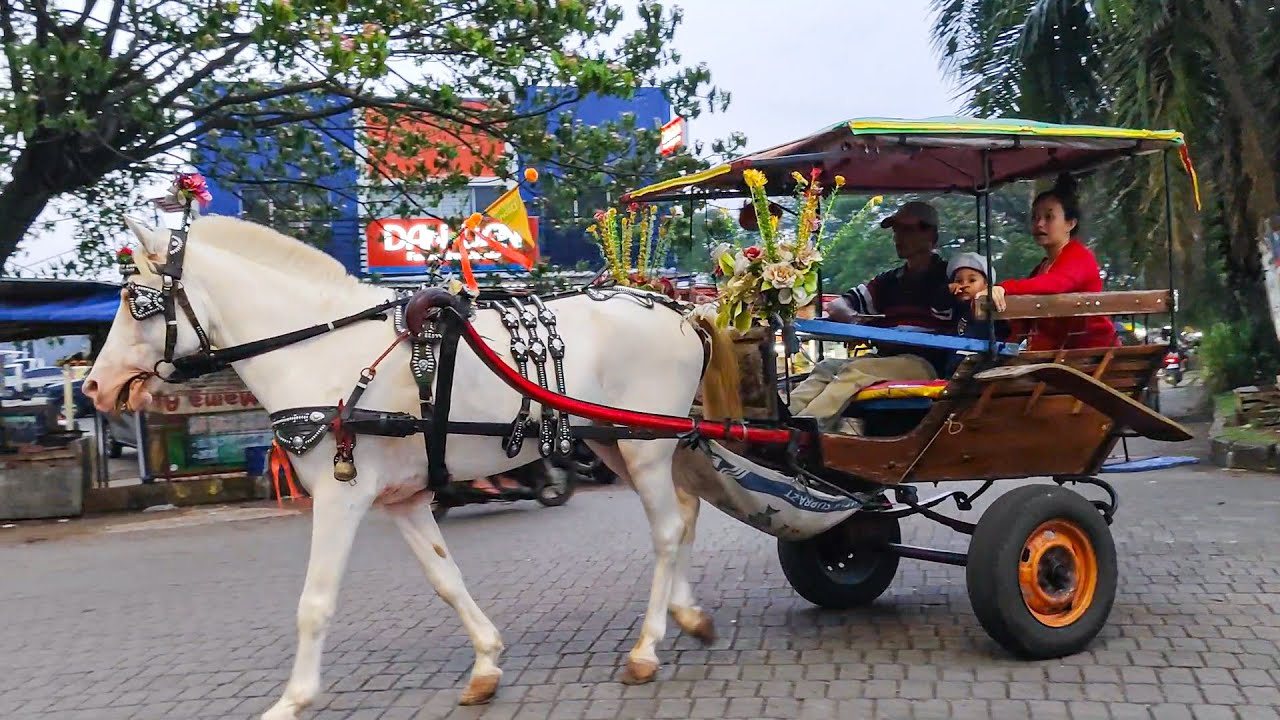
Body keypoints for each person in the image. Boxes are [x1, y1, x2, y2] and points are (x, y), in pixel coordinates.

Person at [974, 174, 1118, 351]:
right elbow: (1024, 324)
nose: (1039, 224)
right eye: (1035, 217)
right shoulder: (1041, 268)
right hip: (1057, 356)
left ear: (1070, 224)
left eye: (1049, 217)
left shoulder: (1079, 256)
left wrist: (1005, 287)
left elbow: (1055, 284)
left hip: (1091, 354)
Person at [824, 200, 954, 333]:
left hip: (933, 353)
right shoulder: (887, 281)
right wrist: (856, 322)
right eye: (896, 230)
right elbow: (836, 305)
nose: (897, 238)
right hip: (885, 353)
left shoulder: (953, 277)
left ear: (931, 235)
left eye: (907, 230)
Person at [944, 252, 1009, 375]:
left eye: (972, 280)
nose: (964, 285)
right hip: (954, 368)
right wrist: (947, 290)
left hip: (981, 367)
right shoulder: (956, 307)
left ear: (986, 285)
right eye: (958, 281)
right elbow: (938, 306)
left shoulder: (994, 309)